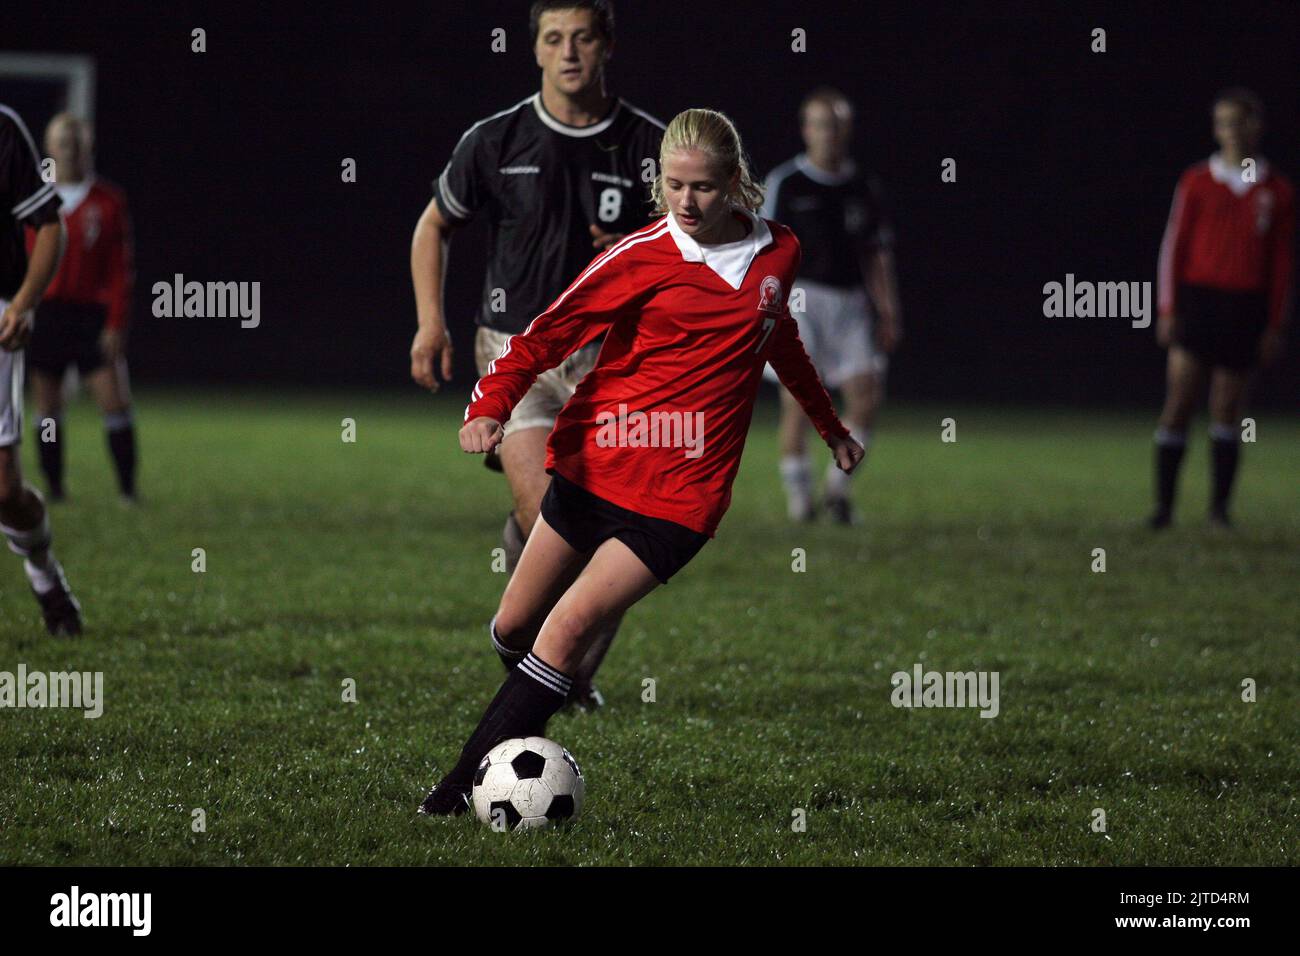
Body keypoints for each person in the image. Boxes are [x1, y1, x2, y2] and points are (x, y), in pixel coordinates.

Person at [418, 108, 864, 816]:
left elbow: (778, 339)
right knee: (513, 628)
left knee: (566, 631)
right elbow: (544, 335)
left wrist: (829, 424)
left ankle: (451, 797)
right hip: (597, 468)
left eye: (704, 187)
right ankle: (536, 705)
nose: (686, 202)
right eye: (674, 186)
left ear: (735, 182)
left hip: (683, 497)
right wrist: (489, 407)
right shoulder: (640, 254)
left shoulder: (780, 252)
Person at [409, 0, 663, 708]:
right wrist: (430, 324)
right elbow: (434, 225)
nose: (569, 52)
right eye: (554, 38)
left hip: (615, 362)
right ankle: (551, 661)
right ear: (536, 50)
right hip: (517, 352)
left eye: (583, 37)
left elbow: (706, 248)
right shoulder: (496, 139)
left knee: (618, 533)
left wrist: (644, 250)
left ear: (607, 45)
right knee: (556, 514)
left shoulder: (652, 147)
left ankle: (569, 674)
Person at [1153, 87, 1293, 528]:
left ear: (1257, 126)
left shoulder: (1277, 190)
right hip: (1199, 301)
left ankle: (1218, 512)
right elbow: (1173, 245)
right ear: (1216, 129)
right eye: (1224, 122)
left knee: (1227, 408)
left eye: (1240, 121)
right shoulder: (1196, 181)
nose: (1232, 131)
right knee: (1179, 402)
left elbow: (1282, 263)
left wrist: (1274, 324)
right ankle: (1163, 510)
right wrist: (1168, 307)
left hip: (1244, 307)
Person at [762, 88, 901, 524]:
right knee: (800, 401)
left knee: (866, 395)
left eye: (837, 125)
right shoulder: (787, 182)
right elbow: (764, 251)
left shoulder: (863, 186)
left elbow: (877, 254)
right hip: (800, 299)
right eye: (822, 124)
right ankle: (800, 499)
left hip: (851, 301)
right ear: (806, 130)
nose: (830, 133)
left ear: (849, 130)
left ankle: (837, 492)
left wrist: (889, 311)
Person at [0, 103, 82, 635]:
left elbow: (49, 226)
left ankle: (44, 572)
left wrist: (24, 303)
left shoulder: (3, 129)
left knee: (5, 491)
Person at [27, 113, 138, 503]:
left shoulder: (108, 201)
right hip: (45, 314)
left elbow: (121, 270)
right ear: (49, 147)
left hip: (91, 317)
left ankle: (127, 490)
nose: (70, 149)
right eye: (62, 141)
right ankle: (55, 487)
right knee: (48, 407)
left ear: (88, 146)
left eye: (76, 141)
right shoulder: (34, 198)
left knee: (114, 401)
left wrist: (116, 322)